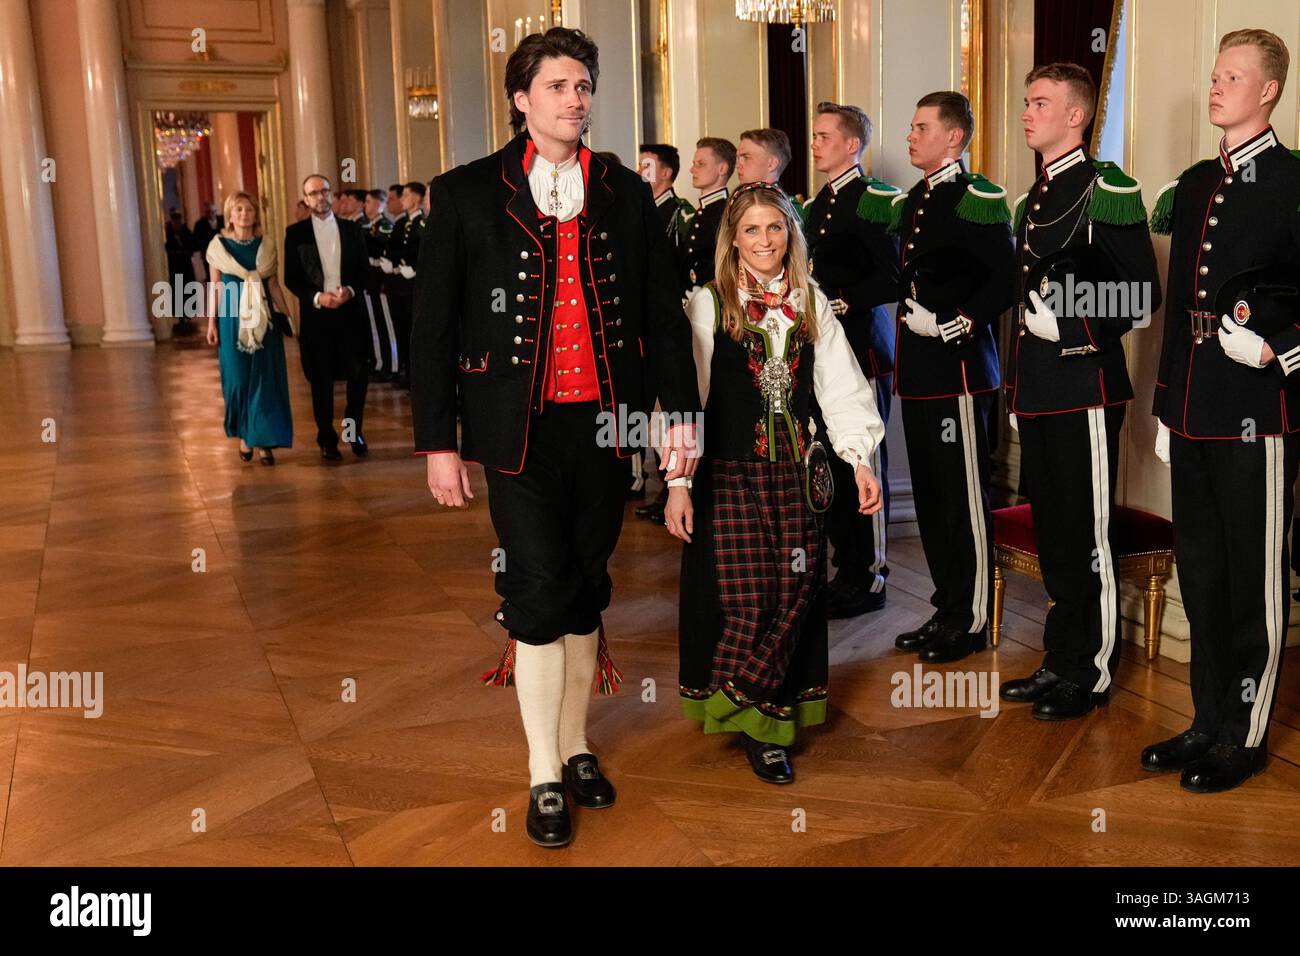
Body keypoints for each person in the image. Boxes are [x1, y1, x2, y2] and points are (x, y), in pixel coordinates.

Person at [410, 27, 700, 849]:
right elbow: (432, 329)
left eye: (585, 85)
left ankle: (576, 744)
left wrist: (676, 419)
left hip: (607, 427)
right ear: (521, 98)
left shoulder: (622, 191)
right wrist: (440, 442)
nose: (578, 99)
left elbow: (662, 321)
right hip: (517, 431)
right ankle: (543, 769)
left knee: (583, 587)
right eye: (561, 85)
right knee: (536, 593)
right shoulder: (465, 193)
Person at [668, 182, 883, 783]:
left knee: (798, 590)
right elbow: (689, 402)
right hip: (728, 471)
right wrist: (679, 481)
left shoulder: (811, 303)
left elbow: (841, 389)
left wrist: (859, 459)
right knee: (748, 594)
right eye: (752, 230)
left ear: (791, 234)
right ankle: (755, 721)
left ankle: (751, 705)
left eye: (776, 228)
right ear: (732, 240)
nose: (765, 241)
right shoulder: (708, 305)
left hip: (798, 471)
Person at [1144, 29, 1300, 792]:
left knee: (1254, 581)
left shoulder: (1294, 181)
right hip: (1197, 407)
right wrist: (1167, 407)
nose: (1215, 88)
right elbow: (1179, 310)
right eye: (1213, 75)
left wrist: (1278, 350)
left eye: (1232, 77)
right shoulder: (1201, 179)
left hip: (1259, 411)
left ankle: (1246, 731)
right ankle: (1206, 721)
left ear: (1268, 90)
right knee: (1201, 575)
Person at [999, 62, 1160, 719]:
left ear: (1077, 116)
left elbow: (1140, 295)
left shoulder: (1108, 190)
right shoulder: (1032, 198)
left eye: (1041, 102)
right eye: (1027, 101)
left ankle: (1090, 672)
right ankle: (1060, 661)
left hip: (1085, 385)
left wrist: (1067, 320)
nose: (1027, 112)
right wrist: (1017, 391)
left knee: (1088, 536)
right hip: (1039, 387)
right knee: (1058, 533)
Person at [891, 91, 1014, 664]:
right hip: (918, 374)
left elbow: (1005, 281)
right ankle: (947, 608)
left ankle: (973, 618)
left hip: (960, 370)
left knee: (964, 500)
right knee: (933, 498)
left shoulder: (977, 198)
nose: (910, 136)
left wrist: (953, 324)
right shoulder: (917, 198)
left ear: (954, 137)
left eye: (921, 128)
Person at [804, 101, 901, 619]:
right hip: (825, 349)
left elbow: (892, 277)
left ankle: (872, 577)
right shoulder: (817, 203)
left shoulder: (872, 200)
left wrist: (840, 301)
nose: (815, 144)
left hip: (862, 345)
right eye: (815, 136)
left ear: (851, 145)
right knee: (832, 467)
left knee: (864, 462)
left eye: (824, 136)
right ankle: (846, 570)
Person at [284, 173, 373, 460]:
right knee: (320, 380)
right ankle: (327, 438)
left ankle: (354, 431)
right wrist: (317, 297)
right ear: (306, 199)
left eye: (324, 191)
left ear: (331, 195)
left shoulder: (352, 230)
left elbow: (364, 271)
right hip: (318, 317)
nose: (319, 197)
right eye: (313, 193)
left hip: (351, 314)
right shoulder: (295, 234)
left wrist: (349, 290)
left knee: (358, 376)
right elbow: (291, 278)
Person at [203, 191, 294, 464]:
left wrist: (288, 317)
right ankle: (245, 434)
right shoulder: (218, 246)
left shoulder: (266, 245)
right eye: (238, 209)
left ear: (256, 214)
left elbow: (274, 285)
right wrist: (211, 323)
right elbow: (216, 287)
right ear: (230, 215)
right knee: (238, 380)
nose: (244, 214)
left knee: (264, 381)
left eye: (249, 210)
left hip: (264, 320)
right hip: (231, 321)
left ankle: (262, 441)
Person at [380, 181, 426, 388]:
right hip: (400, 283)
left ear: (417, 198)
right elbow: (395, 248)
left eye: (406, 195)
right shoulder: (403, 223)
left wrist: (414, 268)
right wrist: (396, 264)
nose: (402, 199)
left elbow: (422, 250)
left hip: (413, 284)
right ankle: (407, 371)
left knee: (413, 331)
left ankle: (414, 374)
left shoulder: (421, 223)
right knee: (402, 329)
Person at [679, 137, 735, 294]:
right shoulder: (703, 209)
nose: (692, 169)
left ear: (722, 168)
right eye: (694, 164)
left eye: (701, 164)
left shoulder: (727, 211)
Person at [638, 143, 695, 246]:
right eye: (639, 166)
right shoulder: (638, 208)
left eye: (646, 166)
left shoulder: (681, 213)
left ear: (666, 173)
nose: (639, 172)